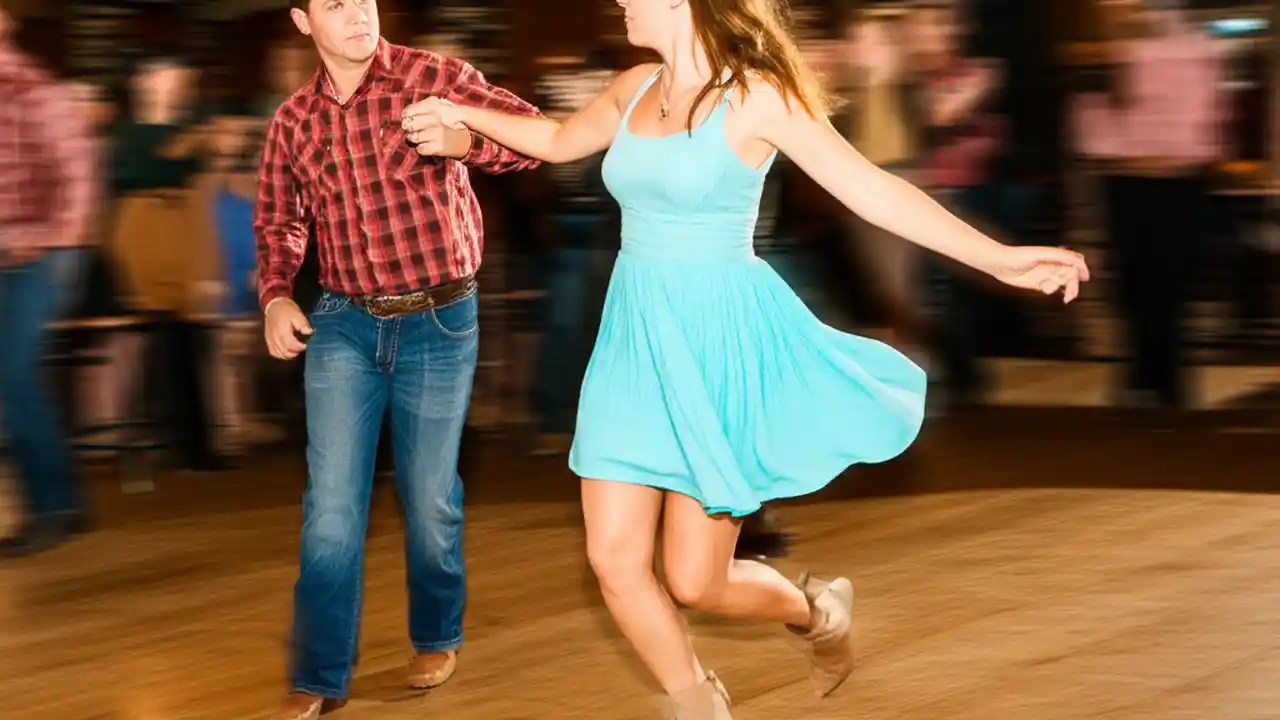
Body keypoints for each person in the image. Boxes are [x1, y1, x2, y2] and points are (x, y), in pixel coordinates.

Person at [404, 0, 1088, 716]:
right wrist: (463, 124)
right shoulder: (634, 85)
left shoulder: (758, 94)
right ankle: (697, 704)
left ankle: (815, 611)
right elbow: (551, 138)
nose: (619, 3)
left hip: (714, 346)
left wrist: (999, 258)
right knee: (613, 560)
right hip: (632, 345)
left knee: (695, 582)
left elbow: (873, 190)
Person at [254, 2, 540, 719]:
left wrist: (464, 140)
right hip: (343, 324)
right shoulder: (293, 120)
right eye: (334, 3)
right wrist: (275, 296)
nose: (356, 13)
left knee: (429, 498)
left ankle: (437, 632)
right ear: (302, 21)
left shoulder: (435, 77)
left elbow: (535, 141)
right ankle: (319, 676)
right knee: (330, 509)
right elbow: (279, 219)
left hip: (440, 320)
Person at [0, 0, 97, 557]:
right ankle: (63, 501)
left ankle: (52, 507)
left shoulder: (40, 93)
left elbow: (78, 179)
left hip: (47, 253)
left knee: (13, 372)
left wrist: (54, 237)